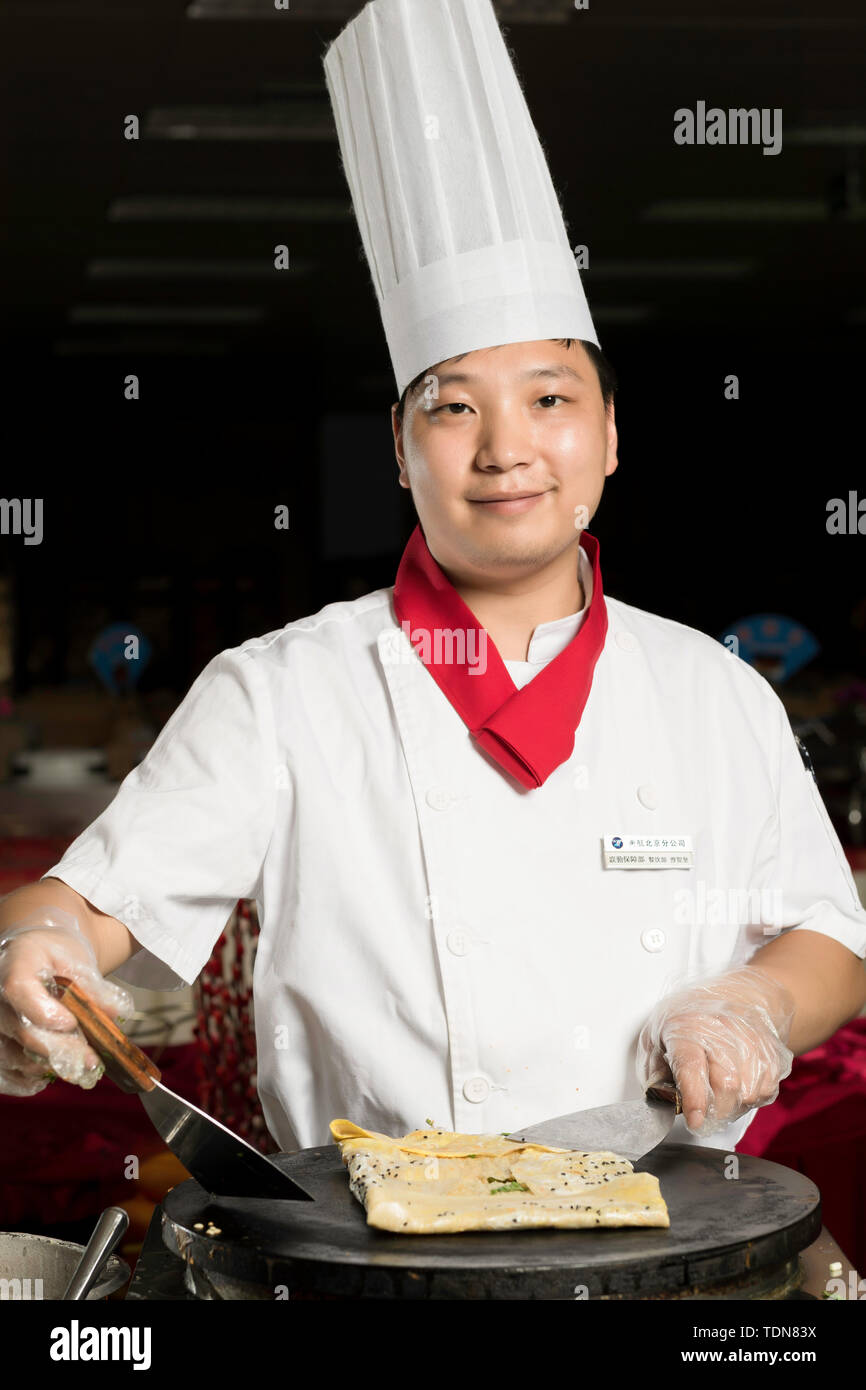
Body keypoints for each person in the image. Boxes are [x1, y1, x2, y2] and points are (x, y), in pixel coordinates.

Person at [1, 0, 865, 1155]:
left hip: (670, 1241)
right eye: (452, 407)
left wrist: (751, 1000)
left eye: (550, 399)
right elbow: (87, 904)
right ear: (401, 455)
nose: (505, 447)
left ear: (610, 436)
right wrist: (33, 945)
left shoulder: (712, 692)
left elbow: (825, 934)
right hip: (366, 1246)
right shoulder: (282, 689)